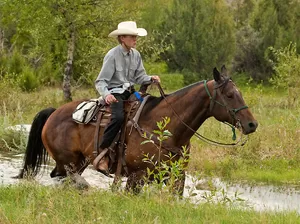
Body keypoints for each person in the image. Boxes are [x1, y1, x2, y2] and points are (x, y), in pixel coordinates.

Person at [94, 21, 160, 175]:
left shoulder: (136, 55)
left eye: (136, 37)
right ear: (122, 38)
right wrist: (107, 95)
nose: (135, 40)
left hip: (130, 91)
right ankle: (103, 153)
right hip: (115, 92)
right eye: (132, 37)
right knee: (118, 117)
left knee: (148, 110)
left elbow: (140, 76)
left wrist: (151, 78)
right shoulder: (112, 55)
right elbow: (101, 81)